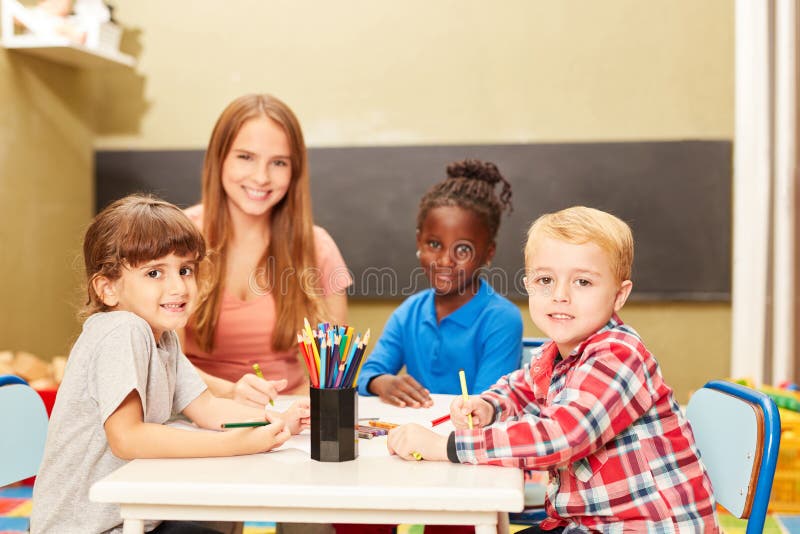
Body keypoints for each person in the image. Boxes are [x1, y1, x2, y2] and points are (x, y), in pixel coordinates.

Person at [386, 206, 720, 533]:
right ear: (529, 284)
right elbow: (521, 388)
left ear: (618, 296)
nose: (560, 295)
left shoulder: (619, 356)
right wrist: (488, 406)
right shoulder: (557, 353)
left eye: (583, 282)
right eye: (545, 279)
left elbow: (562, 436)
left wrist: (446, 447)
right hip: (587, 522)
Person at [31, 195, 310, 534]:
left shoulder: (162, 337)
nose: (178, 287)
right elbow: (127, 438)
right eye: (154, 273)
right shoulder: (122, 329)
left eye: (185, 270)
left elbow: (206, 407)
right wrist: (237, 445)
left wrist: (275, 422)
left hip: (132, 517)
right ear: (107, 288)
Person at [181, 94, 352, 407]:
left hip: (288, 419)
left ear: (294, 171)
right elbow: (165, 365)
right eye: (245, 157)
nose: (261, 177)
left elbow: (332, 372)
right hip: (196, 415)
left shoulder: (318, 248)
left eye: (279, 163)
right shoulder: (177, 239)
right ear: (219, 158)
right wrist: (231, 393)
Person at [356, 159, 523, 408]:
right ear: (418, 242)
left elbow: (486, 407)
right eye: (434, 245)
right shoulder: (410, 312)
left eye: (463, 249)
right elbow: (366, 376)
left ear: (489, 253)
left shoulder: (501, 319)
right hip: (412, 438)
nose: (445, 261)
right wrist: (382, 382)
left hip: (463, 442)